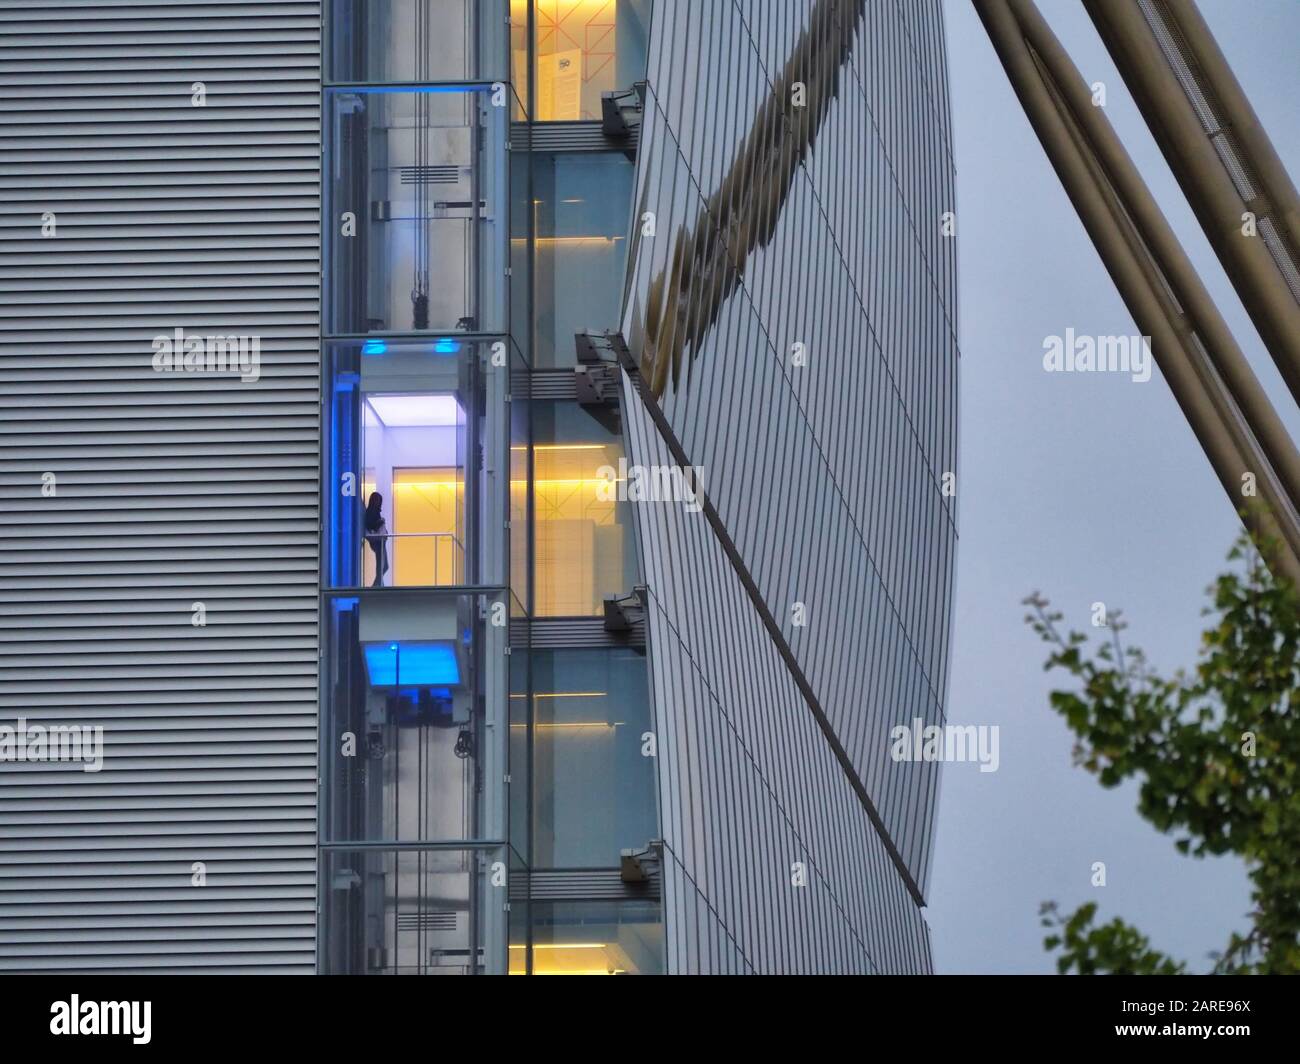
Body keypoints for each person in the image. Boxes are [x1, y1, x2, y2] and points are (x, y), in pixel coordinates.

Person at [364, 492, 389, 587]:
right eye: (377, 500)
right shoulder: (370, 512)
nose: (379, 503)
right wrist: (380, 522)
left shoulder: (376, 512)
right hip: (377, 541)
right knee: (381, 565)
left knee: (385, 566)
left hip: (381, 541)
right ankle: (377, 586)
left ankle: (376, 585)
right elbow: (370, 525)